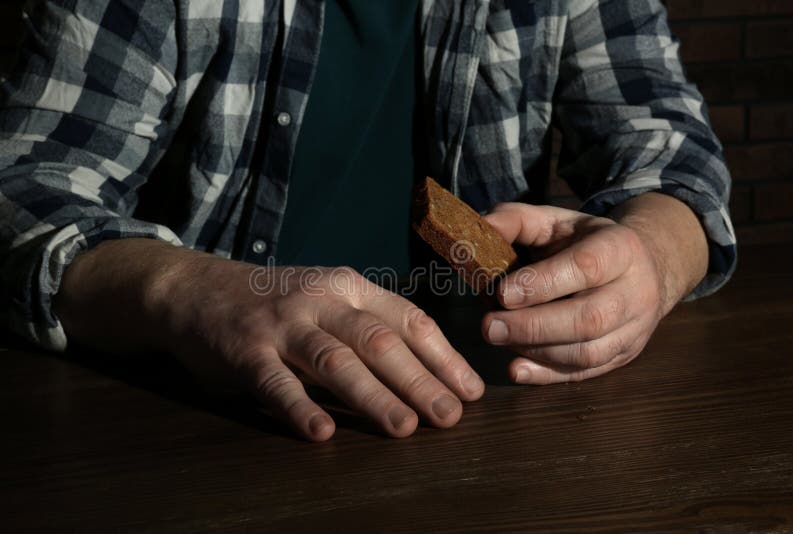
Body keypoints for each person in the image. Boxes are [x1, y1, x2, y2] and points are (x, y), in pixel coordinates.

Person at [0, 0, 736, 442]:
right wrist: (185, 289)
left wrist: (654, 252)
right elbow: (22, 187)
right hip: (200, 427)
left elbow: (668, 139)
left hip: (487, 414)